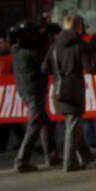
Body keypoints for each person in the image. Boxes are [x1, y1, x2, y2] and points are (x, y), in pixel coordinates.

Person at [43, 14, 96, 172]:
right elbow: (90, 68)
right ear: (79, 27)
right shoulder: (81, 44)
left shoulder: (54, 46)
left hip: (58, 88)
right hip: (74, 88)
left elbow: (44, 68)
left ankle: (86, 155)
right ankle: (70, 162)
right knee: (73, 125)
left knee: (72, 123)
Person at [11, 21, 58, 172]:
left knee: (44, 123)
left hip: (26, 91)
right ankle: (21, 160)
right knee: (35, 124)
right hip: (34, 92)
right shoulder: (32, 52)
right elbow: (46, 67)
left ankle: (51, 155)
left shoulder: (17, 50)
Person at [0, 37, 20, 152]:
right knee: (9, 120)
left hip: (9, 91)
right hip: (1, 91)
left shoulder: (13, 58)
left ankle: (1, 144)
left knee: (6, 119)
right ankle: (22, 139)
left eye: (2, 43)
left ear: (8, 44)